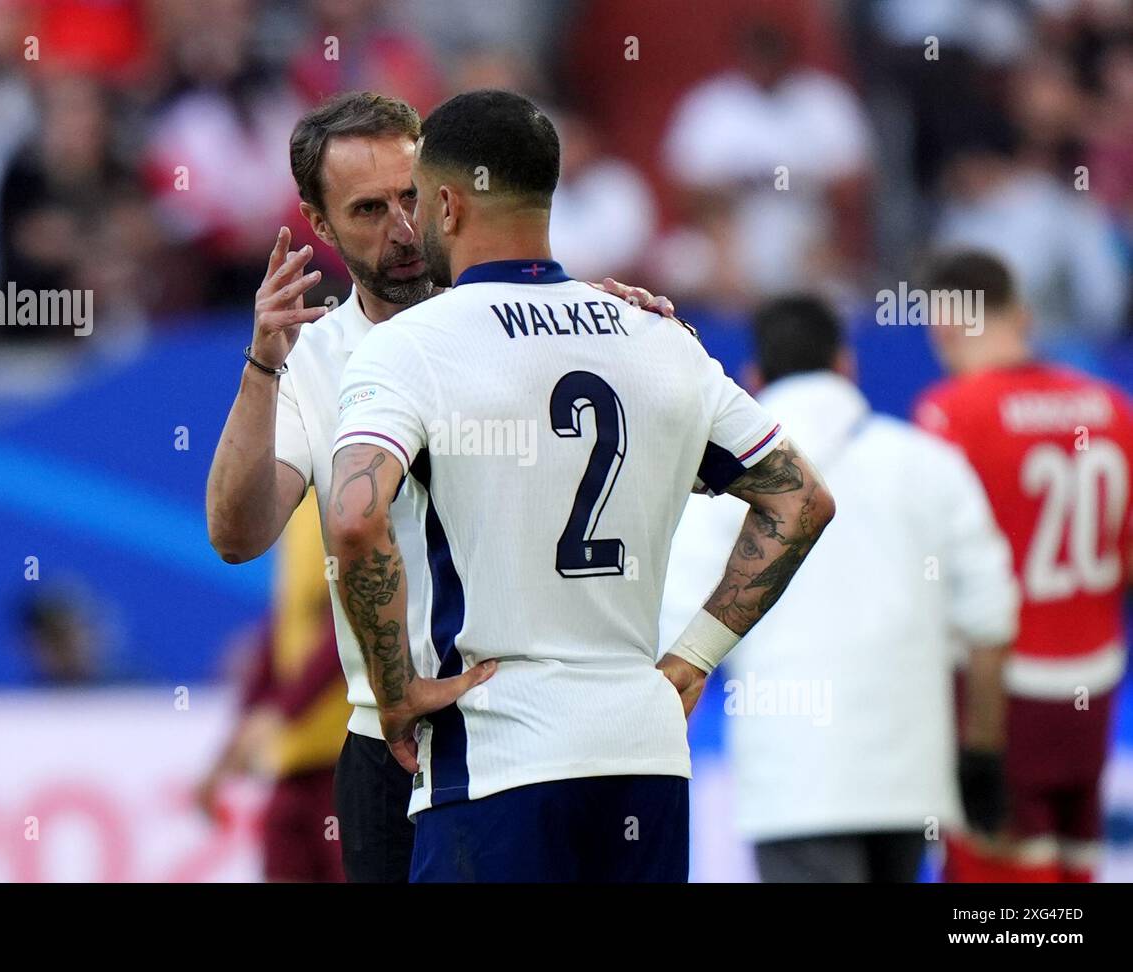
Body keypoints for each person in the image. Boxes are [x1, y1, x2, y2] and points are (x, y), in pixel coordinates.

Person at [325, 90, 834, 883]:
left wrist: (394, 691)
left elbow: (354, 518)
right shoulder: (658, 336)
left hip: (497, 755)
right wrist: (694, 658)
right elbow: (803, 498)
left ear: (449, 204)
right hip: (644, 753)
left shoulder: (411, 346)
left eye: (418, 198)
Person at [205, 90, 673, 882]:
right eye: (366, 208)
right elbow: (237, 535)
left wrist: (644, 336)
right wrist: (262, 369)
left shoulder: (541, 320)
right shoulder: (317, 359)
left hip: (537, 726)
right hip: (390, 743)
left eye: (410, 196)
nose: (399, 228)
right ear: (319, 225)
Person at [659, 295, 1019, 882]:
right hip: (910, 785)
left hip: (792, 785)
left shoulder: (731, 484)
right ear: (846, 365)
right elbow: (990, 620)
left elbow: (673, 637)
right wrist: (982, 754)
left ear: (754, 379)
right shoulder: (930, 464)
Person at [914, 249, 1133, 882]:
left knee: (1001, 902)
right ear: (1024, 315)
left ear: (944, 327)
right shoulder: (1111, 407)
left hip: (1001, 693)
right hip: (1097, 686)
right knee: (1072, 880)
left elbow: (932, 564)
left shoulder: (952, 414)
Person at [198, 490, 349, 883]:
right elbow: (289, 617)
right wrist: (235, 741)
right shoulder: (299, 506)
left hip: (351, 757)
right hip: (295, 764)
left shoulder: (354, 490)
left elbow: (353, 614)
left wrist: (283, 710)